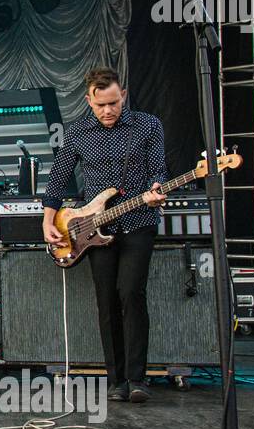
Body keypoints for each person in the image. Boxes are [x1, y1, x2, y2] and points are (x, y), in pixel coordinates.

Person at [41, 68, 167, 403]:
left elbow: (157, 169)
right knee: (106, 302)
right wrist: (48, 220)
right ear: (89, 101)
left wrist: (156, 188)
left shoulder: (148, 125)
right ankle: (116, 380)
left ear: (122, 95)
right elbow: (59, 178)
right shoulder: (78, 132)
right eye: (100, 106)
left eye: (113, 103)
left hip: (139, 220)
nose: (108, 111)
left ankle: (138, 379)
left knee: (131, 294)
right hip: (95, 229)